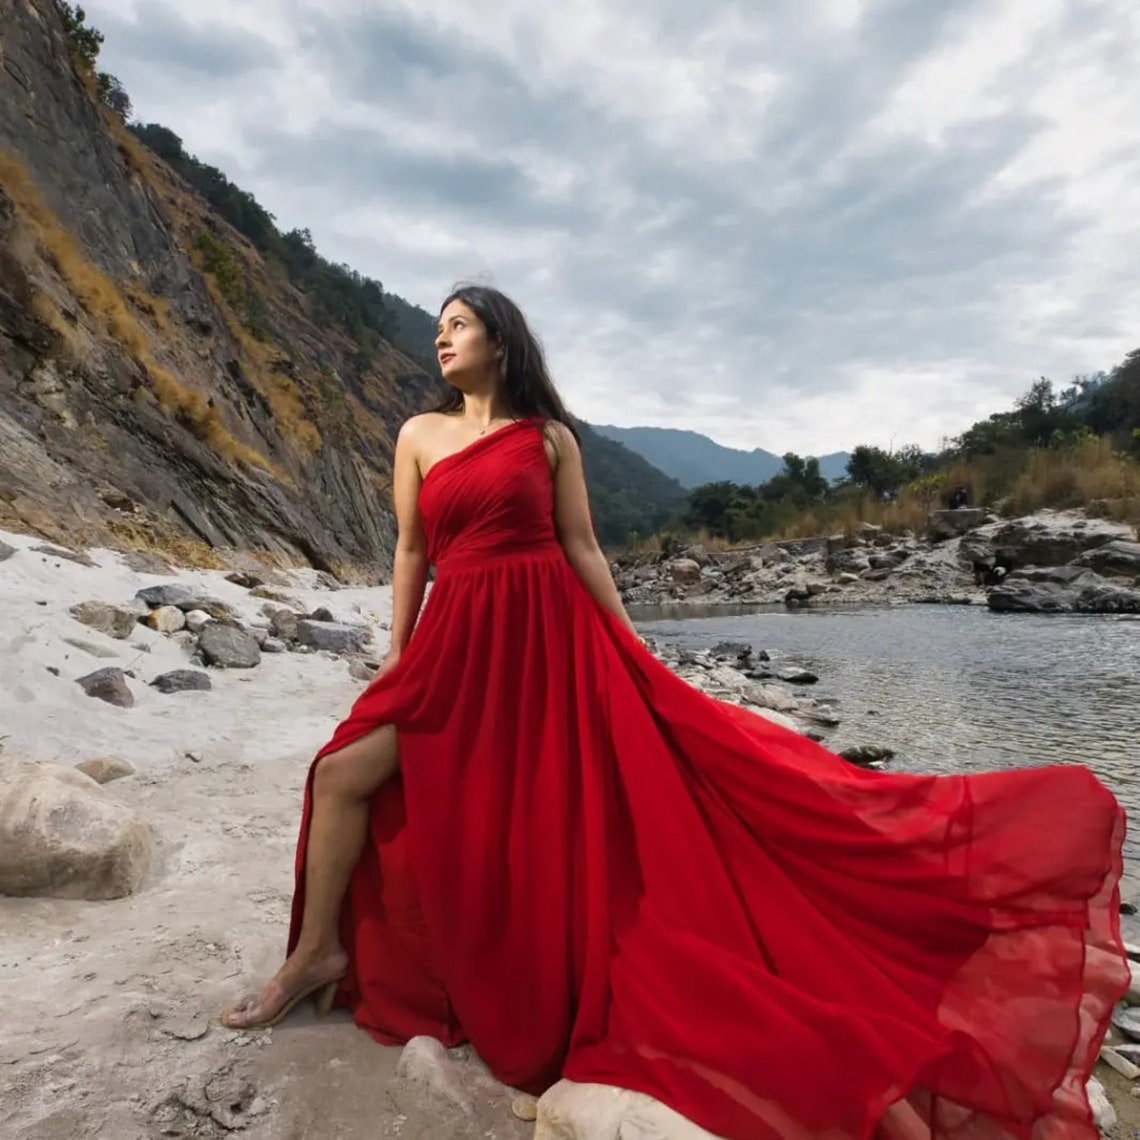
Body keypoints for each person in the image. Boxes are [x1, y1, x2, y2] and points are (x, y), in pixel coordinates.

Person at [221, 284, 1128, 1140]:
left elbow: (581, 545)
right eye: (438, 328)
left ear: (501, 338)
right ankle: (316, 954)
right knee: (342, 772)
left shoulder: (549, 440)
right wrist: (398, 651)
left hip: (545, 639)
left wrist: (630, 647)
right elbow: (412, 549)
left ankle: (461, 959)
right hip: (455, 638)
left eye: (458, 324)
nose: (441, 338)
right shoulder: (419, 433)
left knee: (530, 813)